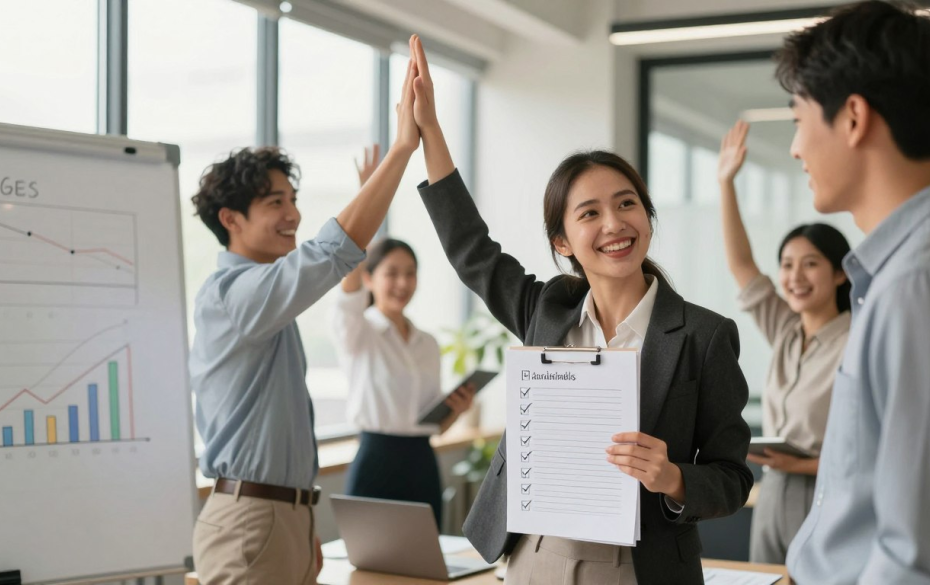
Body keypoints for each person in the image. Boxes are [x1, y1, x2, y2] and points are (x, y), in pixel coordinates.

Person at [407, 35, 752, 584]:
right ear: (563, 241)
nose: (614, 225)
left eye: (626, 204)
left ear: (647, 217)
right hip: (535, 554)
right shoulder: (547, 309)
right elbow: (471, 251)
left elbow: (733, 478)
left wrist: (671, 478)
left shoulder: (704, 336)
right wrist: (430, 131)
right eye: (589, 213)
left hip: (639, 565)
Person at [187, 41, 422, 585]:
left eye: (294, 200)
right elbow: (332, 253)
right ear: (231, 218)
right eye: (275, 203)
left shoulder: (264, 295)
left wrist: (296, 518)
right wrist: (402, 150)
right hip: (251, 519)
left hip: (281, 516)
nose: (294, 214)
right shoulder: (234, 294)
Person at [775, 2, 930, 583]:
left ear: (853, 117)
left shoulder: (919, 285)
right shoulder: (911, 269)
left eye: (799, 120)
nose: (795, 148)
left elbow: (920, 558)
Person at [717, 120, 852, 564]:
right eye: (787, 264)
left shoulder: (861, 335)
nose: (794, 276)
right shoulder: (786, 329)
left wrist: (806, 465)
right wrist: (725, 183)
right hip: (773, 489)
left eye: (810, 264)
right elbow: (741, 265)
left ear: (839, 273)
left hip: (829, 491)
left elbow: (880, 444)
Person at [328, 147, 475, 528]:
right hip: (375, 458)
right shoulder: (359, 331)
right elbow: (347, 282)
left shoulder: (427, 342)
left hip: (422, 461)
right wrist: (365, 201)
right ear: (369, 279)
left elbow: (431, 424)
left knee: (424, 565)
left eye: (410, 273)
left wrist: (455, 410)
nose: (402, 283)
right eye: (391, 273)